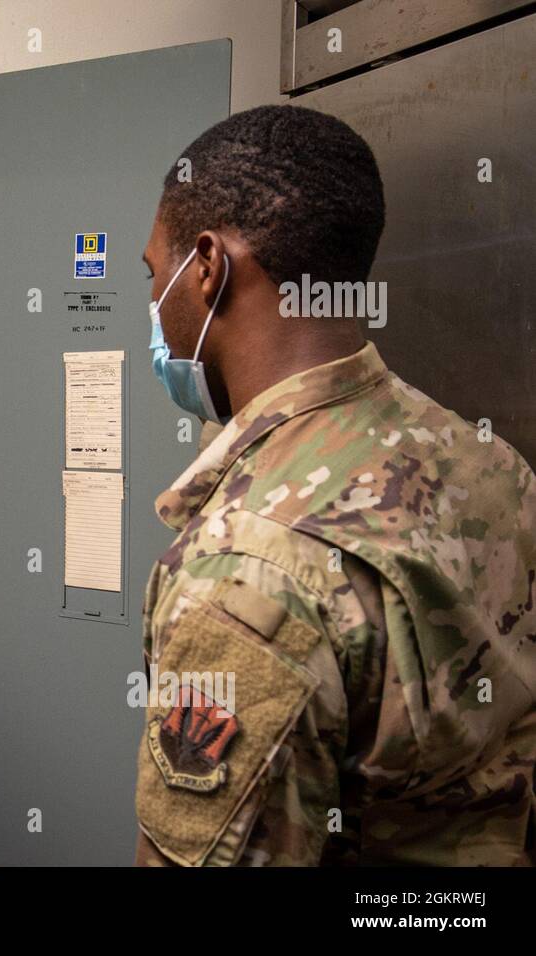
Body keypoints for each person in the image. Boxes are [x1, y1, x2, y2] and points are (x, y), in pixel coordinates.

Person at [136, 105, 536, 866]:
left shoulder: (247, 570)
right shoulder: (490, 465)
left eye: (154, 277)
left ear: (208, 265)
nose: (155, 310)